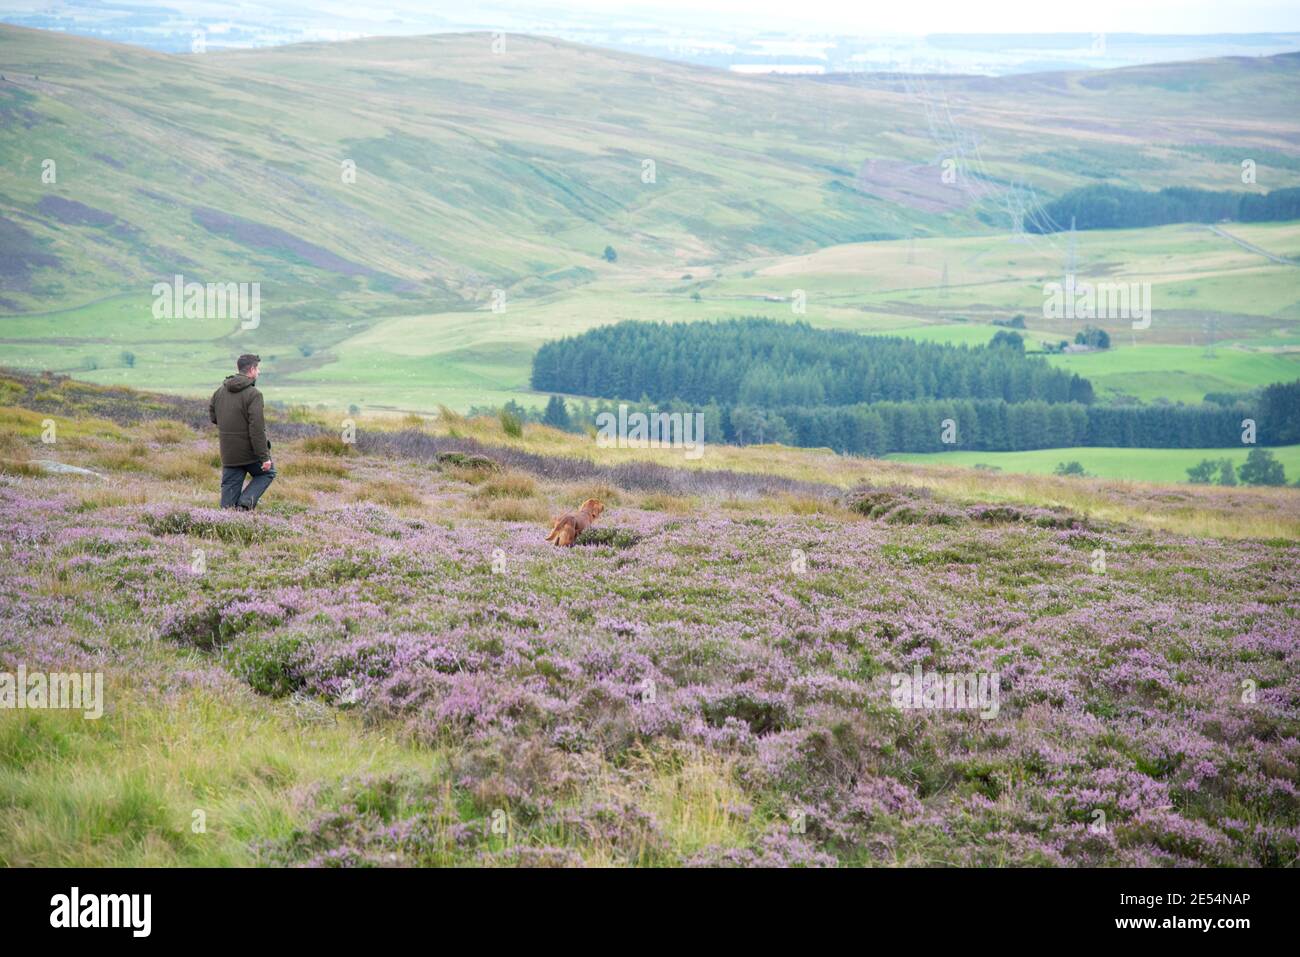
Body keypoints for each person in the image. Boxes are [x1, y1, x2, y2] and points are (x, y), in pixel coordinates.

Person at [209, 353, 275, 510]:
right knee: (267, 473)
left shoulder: (219, 392)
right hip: (249, 453)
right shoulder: (254, 394)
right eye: (257, 369)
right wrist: (264, 457)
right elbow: (257, 429)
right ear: (252, 369)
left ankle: (229, 519)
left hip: (229, 452)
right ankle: (244, 505)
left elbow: (214, 417)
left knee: (227, 508)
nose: (259, 372)